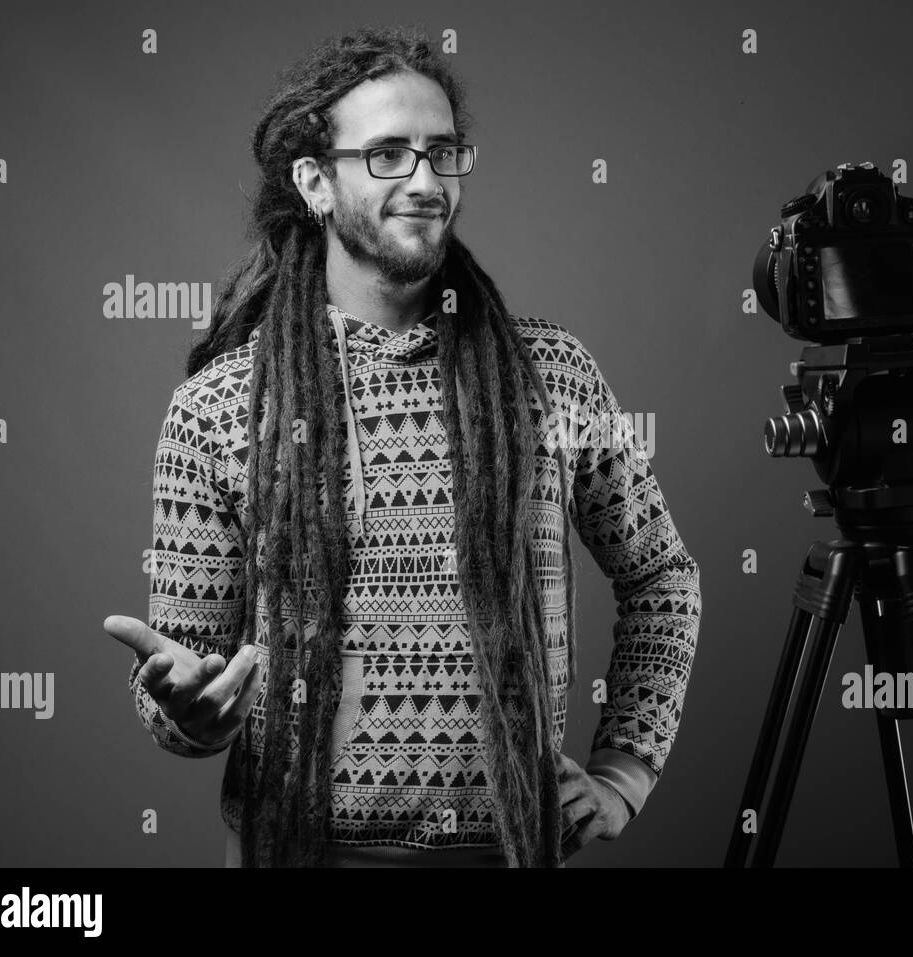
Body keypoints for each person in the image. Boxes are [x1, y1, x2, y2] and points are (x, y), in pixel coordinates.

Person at [102, 25, 701, 868]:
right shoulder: (219, 407)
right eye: (387, 154)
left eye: (442, 153)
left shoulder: (553, 375)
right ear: (315, 181)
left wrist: (624, 771)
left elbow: (662, 576)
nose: (424, 181)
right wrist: (188, 714)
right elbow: (180, 683)